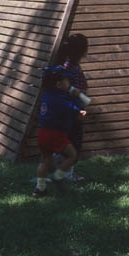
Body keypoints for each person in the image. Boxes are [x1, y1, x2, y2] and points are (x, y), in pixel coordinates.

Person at [33, 65, 86, 197]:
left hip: (42, 134)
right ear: (58, 84)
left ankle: (40, 188)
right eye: (67, 81)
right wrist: (77, 99)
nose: (69, 83)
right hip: (55, 134)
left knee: (45, 160)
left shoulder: (46, 95)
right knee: (72, 155)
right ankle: (58, 175)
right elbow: (76, 111)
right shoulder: (62, 100)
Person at [57, 33, 89, 182]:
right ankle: (67, 175)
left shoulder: (68, 66)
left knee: (69, 140)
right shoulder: (71, 69)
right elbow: (70, 91)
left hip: (71, 109)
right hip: (73, 111)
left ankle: (62, 172)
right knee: (74, 142)